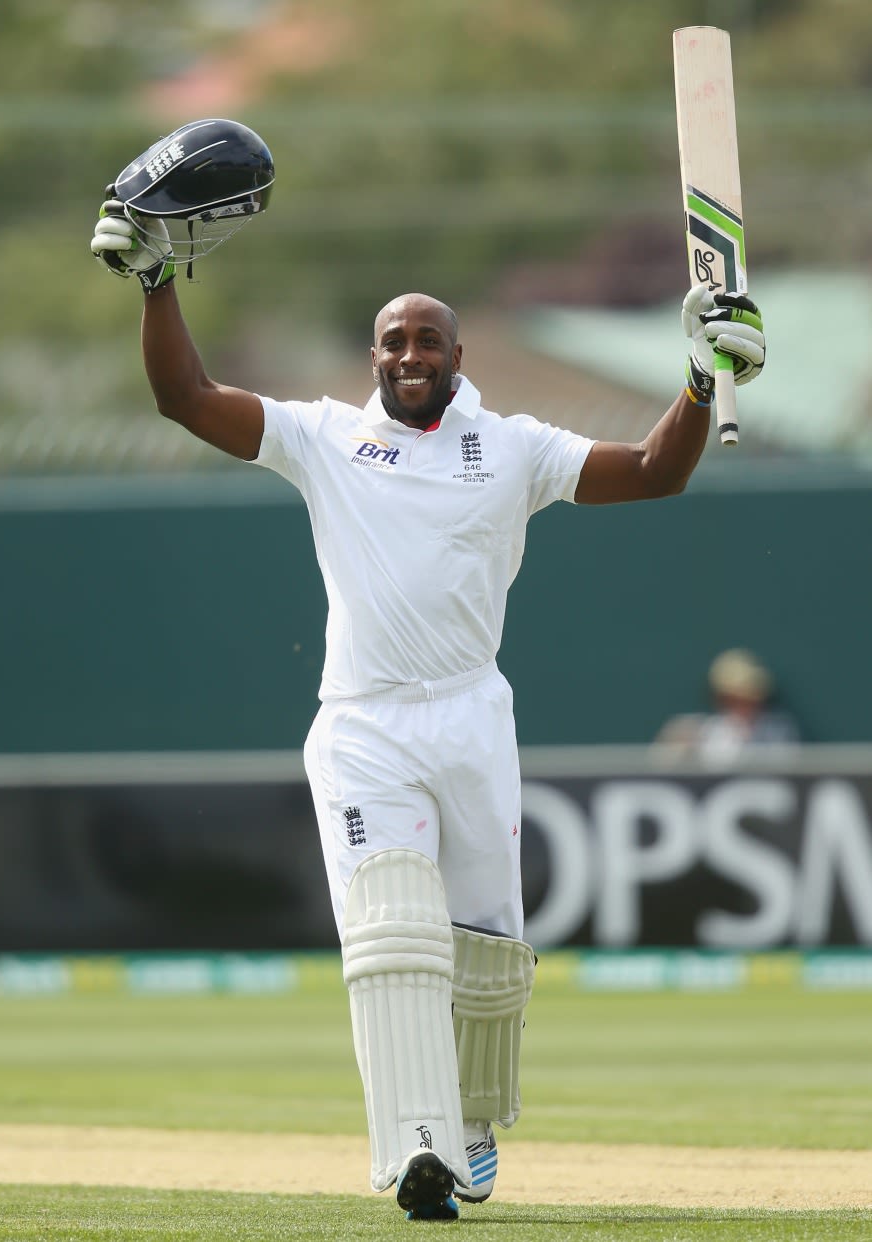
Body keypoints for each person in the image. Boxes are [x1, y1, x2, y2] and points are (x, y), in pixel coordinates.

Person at [90, 198, 766, 1220]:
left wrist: (702, 376)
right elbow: (184, 396)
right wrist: (155, 280)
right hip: (362, 725)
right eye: (394, 341)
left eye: (429, 341)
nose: (411, 355)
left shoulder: (513, 447)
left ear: (457, 353)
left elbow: (658, 472)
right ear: (372, 357)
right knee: (393, 930)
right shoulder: (323, 438)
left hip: (469, 719)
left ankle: (475, 1116)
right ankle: (419, 1151)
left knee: (485, 952)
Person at [656, 647, 800, 764]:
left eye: (749, 697)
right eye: (733, 698)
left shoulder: (778, 730)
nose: (743, 704)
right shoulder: (706, 731)